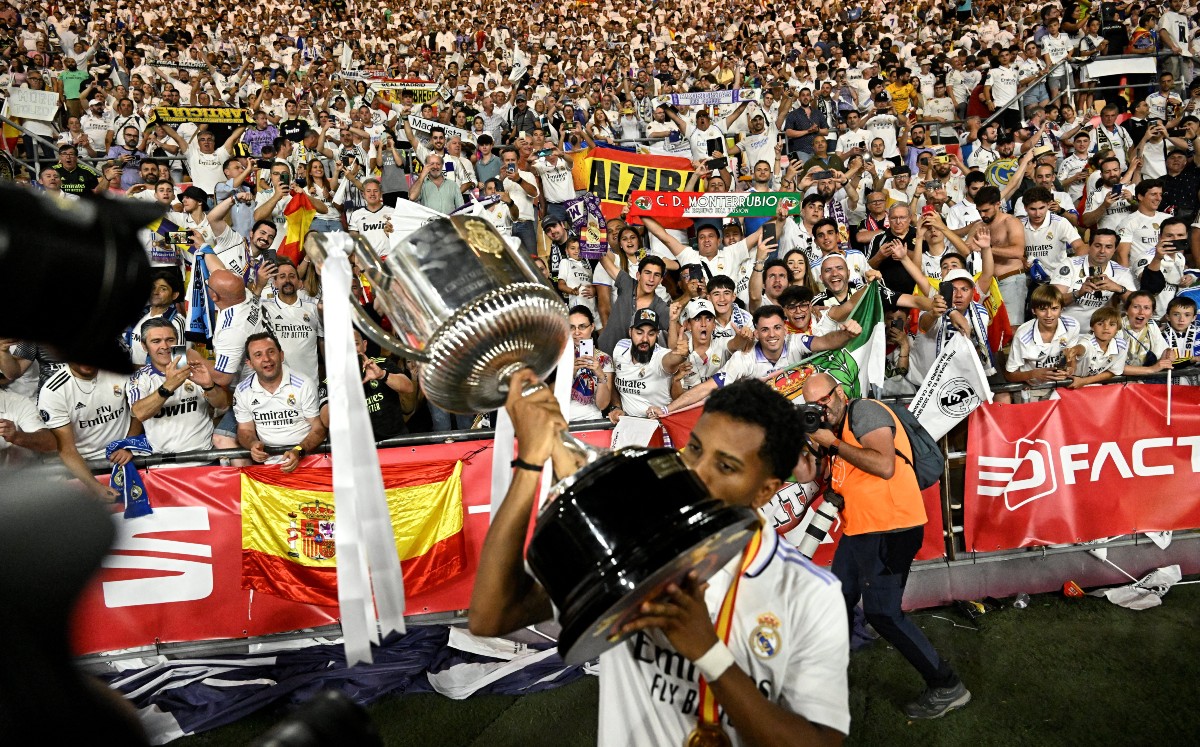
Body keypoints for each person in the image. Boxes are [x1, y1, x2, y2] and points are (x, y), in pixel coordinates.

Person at [470, 372, 850, 745]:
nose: (696, 473)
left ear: (766, 490)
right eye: (696, 449)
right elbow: (493, 616)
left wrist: (708, 653)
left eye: (726, 466)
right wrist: (531, 464)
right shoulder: (633, 539)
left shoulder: (810, 593)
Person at [798, 372, 969, 719]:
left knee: (882, 613)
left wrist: (831, 442)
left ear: (840, 393)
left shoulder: (865, 412)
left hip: (891, 529)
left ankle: (947, 685)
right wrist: (799, 439)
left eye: (825, 399)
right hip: (861, 529)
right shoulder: (828, 430)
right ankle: (831, 671)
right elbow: (805, 475)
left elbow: (884, 465)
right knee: (838, 596)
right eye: (812, 404)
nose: (822, 408)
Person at [654, 305, 861, 416]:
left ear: (785, 329)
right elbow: (707, 387)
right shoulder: (744, 358)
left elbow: (826, 342)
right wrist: (667, 409)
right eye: (765, 329)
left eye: (777, 328)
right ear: (756, 333)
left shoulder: (796, 342)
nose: (772, 335)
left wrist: (847, 335)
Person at [39, 361, 141, 502]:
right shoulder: (53, 392)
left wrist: (129, 444)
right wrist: (95, 486)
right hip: (86, 466)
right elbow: (66, 449)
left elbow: (139, 411)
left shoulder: (119, 373)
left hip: (127, 456)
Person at [127, 319, 228, 458]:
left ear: (177, 341)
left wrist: (209, 386)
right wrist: (169, 386)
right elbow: (139, 413)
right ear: (145, 346)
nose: (164, 346)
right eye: (156, 341)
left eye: (170, 339)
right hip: (163, 466)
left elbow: (223, 404)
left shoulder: (194, 368)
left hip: (205, 460)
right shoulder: (140, 378)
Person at [233, 332, 325, 474]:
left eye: (271, 352)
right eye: (258, 355)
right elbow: (245, 430)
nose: (266, 359)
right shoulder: (242, 391)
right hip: (270, 468)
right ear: (249, 364)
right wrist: (252, 444)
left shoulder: (304, 384)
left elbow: (319, 428)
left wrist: (299, 450)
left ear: (281, 355)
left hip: (309, 462)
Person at [1004, 285, 1084, 401]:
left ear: (1062, 309)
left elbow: (1071, 359)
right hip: (1030, 389)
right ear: (1033, 310)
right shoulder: (1022, 334)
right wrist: (1033, 374)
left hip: (1060, 387)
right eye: (1043, 309)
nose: (1049, 315)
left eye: (1054, 308)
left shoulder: (1072, 325)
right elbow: (1010, 375)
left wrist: (1070, 370)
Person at [607, 309, 687, 421]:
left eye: (651, 334)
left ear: (657, 335)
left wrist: (682, 355)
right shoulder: (620, 348)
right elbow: (614, 381)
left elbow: (671, 359)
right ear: (630, 332)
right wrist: (616, 407)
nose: (645, 339)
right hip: (628, 426)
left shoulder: (660, 356)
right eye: (639, 333)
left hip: (660, 424)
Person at [1052, 229, 1137, 329]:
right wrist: (1078, 293)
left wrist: (1119, 289)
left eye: (1108, 247)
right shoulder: (1070, 264)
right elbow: (1052, 302)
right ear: (1089, 246)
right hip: (1065, 329)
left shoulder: (1121, 272)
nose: (1102, 251)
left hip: (1099, 334)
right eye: (1097, 246)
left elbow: (1137, 304)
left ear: (1115, 249)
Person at [262, 258, 323, 382]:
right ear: (274, 282)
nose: (287, 280)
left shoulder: (314, 307)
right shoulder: (265, 307)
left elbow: (323, 340)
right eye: (282, 276)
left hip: (310, 383)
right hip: (278, 384)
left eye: (292, 276)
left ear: (300, 282)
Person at [567, 306, 613, 422]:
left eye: (582, 326)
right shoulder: (559, 357)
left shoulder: (604, 359)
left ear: (592, 327)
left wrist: (600, 374)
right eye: (572, 327)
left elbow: (602, 405)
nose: (577, 332)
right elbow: (553, 399)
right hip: (563, 423)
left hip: (593, 421)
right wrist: (571, 372)